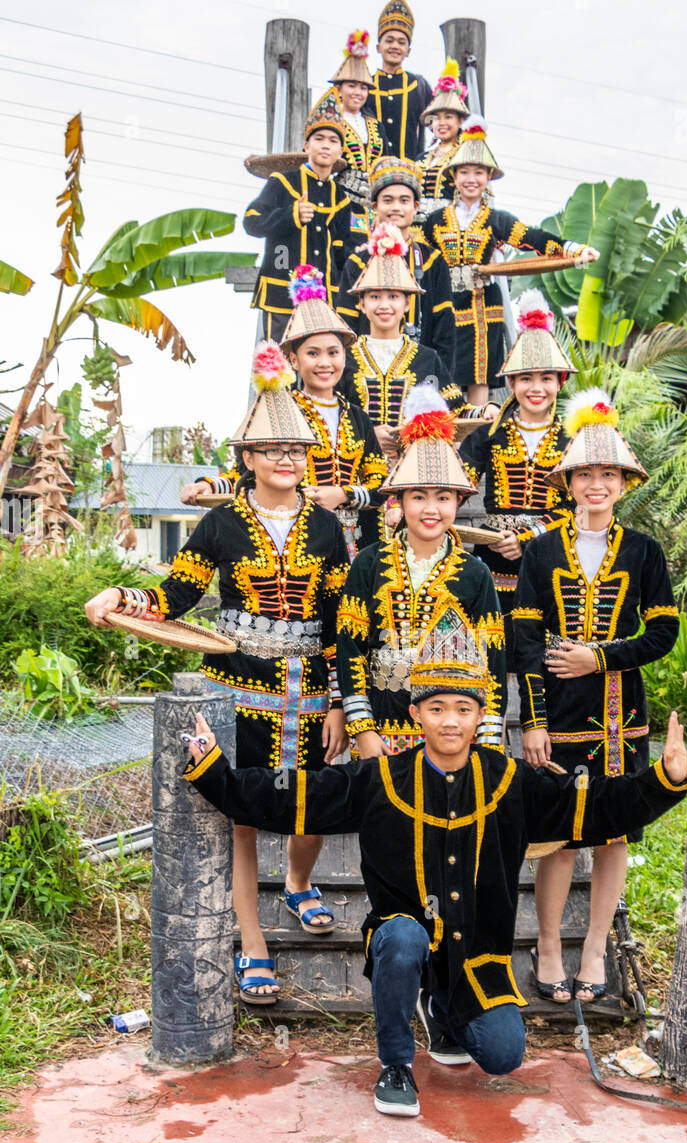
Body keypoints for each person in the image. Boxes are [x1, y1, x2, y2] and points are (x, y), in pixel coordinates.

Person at [183, 635, 687, 1116]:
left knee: (503, 1055)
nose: (450, 721)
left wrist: (664, 779)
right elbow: (295, 795)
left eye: (463, 709)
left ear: (480, 716)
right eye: (437, 708)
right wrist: (215, 772)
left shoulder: (510, 782)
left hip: (477, 958)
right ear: (416, 714)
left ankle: (443, 1010)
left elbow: (594, 804)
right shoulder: (382, 778)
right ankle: (396, 1065)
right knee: (403, 937)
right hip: (402, 938)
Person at [85, 344, 351, 993]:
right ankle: (251, 940)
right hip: (235, 689)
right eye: (271, 450)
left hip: (311, 696)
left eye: (296, 450)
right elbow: (176, 595)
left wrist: (341, 701)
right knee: (241, 815)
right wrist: (122, 597)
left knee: (311, 811)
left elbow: (342, 620)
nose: (286, 459)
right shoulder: (221, 524)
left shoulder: (329, 529)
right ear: (248, 458)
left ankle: (298, 883)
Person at [513, 389, 680, 1004]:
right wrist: (532, 721)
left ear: (624, 482)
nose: (597, 485)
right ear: (569, 482)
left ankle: (595, 948)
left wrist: (600, 657)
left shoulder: (644, 551)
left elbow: (664, 632)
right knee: (557, 835)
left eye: (608, 474)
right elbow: (524, 640)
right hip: (556, 713)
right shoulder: (540, 551)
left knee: (613, 833)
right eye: (585, 474)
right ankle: (547, 945)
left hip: (620, 716)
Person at [337, 384, 506, 757]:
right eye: (418, 497)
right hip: (379, 730)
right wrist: (362, 731)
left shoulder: (475, 573)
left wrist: (489, 744)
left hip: (453, 738)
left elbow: (492, 661)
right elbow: (350, 649)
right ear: (399, 499)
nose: (431, 509)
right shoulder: (368, 563)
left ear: (459, 500)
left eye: (443, 497)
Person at [424, 119, 598, 405]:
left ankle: (477, 428)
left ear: (488, 177)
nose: (471, 179)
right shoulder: (434, 220)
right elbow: (419, 256)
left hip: (482, 305)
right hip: (444, 303)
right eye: (464, 172)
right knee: (441, 370)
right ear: (453, 176)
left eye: (479, 172)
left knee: (479, 374)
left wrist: (572, 249)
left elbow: (533, 238)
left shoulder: (497, 220)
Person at [461, 290, 578, 671]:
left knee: (545, 662)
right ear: (511, 382)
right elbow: (457, 485)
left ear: (560, 382)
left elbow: (578, 507)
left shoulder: (573, 440)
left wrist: (529, 536)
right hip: (495, 556)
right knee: (491, 657)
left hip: (552, 556)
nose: (536, 388)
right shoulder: (489, 435)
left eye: (546, 378)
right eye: (526, 378)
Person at [279, 265, 388, 559]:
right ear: (293, 360)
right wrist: (208, 485)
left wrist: (342, 494)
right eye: (313, 353)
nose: (325, 363)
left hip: (356, 546)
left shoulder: (357, 417)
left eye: (333, 352)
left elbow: (381, 485)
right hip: (296, 543)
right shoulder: (280, 413)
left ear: (344, 356)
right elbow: (246, 473)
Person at [339, 221, 464, 464]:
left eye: (394, 296)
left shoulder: (427, 358)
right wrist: (368, 435)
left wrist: (486, 410)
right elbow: (330, 414)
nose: (384, 305)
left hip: (411, 471)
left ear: (407, 303)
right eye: (375, 296)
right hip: (355, 471)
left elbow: (456, 408)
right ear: (361, 304)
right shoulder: (344, 358)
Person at [243, 88, 351, 336]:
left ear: (340, 151)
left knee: (318, 359)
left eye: (333, 141)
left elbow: (342, 252)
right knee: (279, 361)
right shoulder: (282, 181)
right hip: (281, 294)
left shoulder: (341, 197)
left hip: (325, 300)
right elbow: (251, 222)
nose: (326, 145)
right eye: (319, 138)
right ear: (307, 145)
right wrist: (291, 216)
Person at [336, 156, 455, 373]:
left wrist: (441, 377)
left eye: (404, 200)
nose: (396, 208)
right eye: (388, 200)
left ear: (415, 206)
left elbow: (444, 329)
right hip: (366, 375)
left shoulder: (432, 260)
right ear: (374, 206)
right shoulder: (358, 262)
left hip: (422, 373)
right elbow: (346, 326)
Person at [330, 30, 385, 248]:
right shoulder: (330, 121)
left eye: (363, 88)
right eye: (352, 86)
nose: (358, 92)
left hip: (372, 203)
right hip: (340, 196)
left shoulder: (374, 124)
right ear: (339, 88)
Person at [364, 0, 432, 162]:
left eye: (401, 42)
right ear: (378, 47)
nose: (395, 46)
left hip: (410, 169)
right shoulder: (365, 85)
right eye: (389, 40)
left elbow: (435, 122)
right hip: (373, 171)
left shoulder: (418, 85)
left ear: (408, 51)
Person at [417, 59, 468, 219]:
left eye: (448, 117)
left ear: (460, 121)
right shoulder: (422, 157)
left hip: (449, 225)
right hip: (415, 227)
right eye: (436, 118)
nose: (441, 123)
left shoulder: (465, 156)